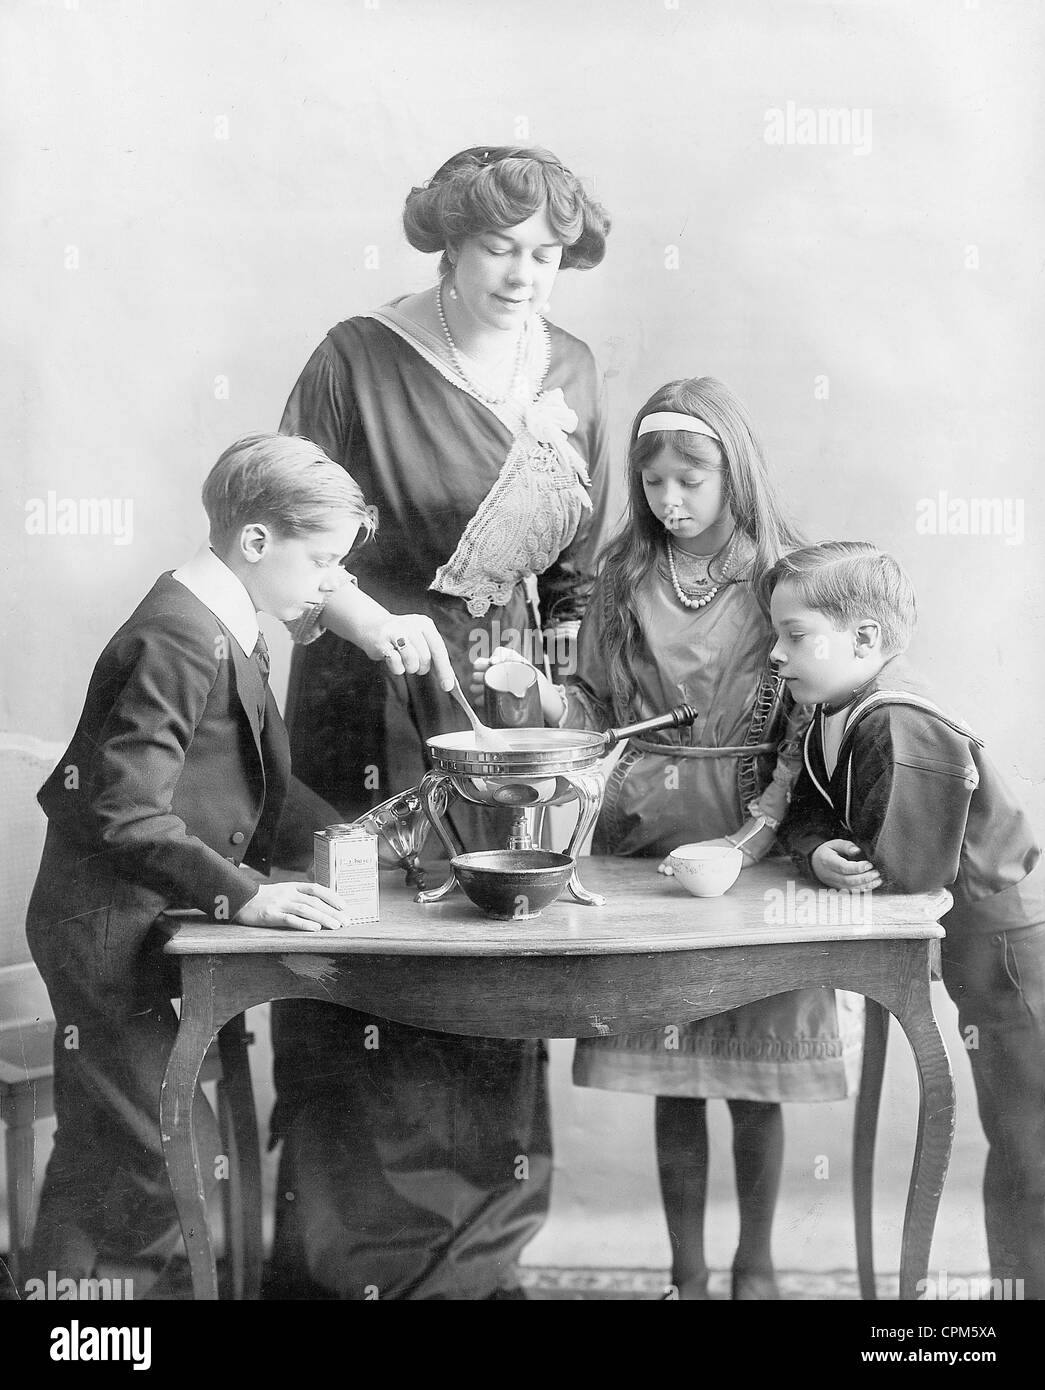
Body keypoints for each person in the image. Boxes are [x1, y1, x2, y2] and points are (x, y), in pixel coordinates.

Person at [266, 145, 612, 1300]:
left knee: (497, 959)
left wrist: (554, 684)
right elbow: (281, 523)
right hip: (365, 691)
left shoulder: (572, 367)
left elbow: (572, 574)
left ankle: (479, 1260)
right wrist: (366, 621)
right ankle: (356, 1267)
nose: (523, 275)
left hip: (498, 710)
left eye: (546, 255)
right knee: (376, 963)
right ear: (448, 247)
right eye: (499, 249)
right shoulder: (356, 359)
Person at [24, 433, 456, 1295]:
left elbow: (252, 780)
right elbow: (122, 811)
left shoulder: (227, 616)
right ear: (255, 543)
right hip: (103, 923)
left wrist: (359, 844)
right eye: (323, 563)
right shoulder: (178, 639)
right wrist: (245, 899)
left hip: (144, 913)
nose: (331, 585)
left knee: (139, 1142)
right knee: (142, 1149)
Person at [475, 378, 863, 1300]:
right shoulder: (625, 582)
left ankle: (755, 1262)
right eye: (653, 484)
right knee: (676, 1066)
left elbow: (820, 714)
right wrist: (538, 696)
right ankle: (687, 1271)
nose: (670, 501)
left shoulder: (788, 575)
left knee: (753, 1065)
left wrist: (783, 833)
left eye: (691, 480)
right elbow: (599, 713)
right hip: (649, 841)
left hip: (753, 834)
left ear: (735, 471)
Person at [766, 540, 1045, 1300]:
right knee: (1019, 1135)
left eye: (794, 636)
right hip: (962, 938)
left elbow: (908, 874)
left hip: (1009, 945)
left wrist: (834, 857)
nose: (776, 653)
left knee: (1032, 1138)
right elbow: (806, 817)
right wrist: (819, 851)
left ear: (864, 640)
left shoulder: (900, 721)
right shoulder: (832, 713)